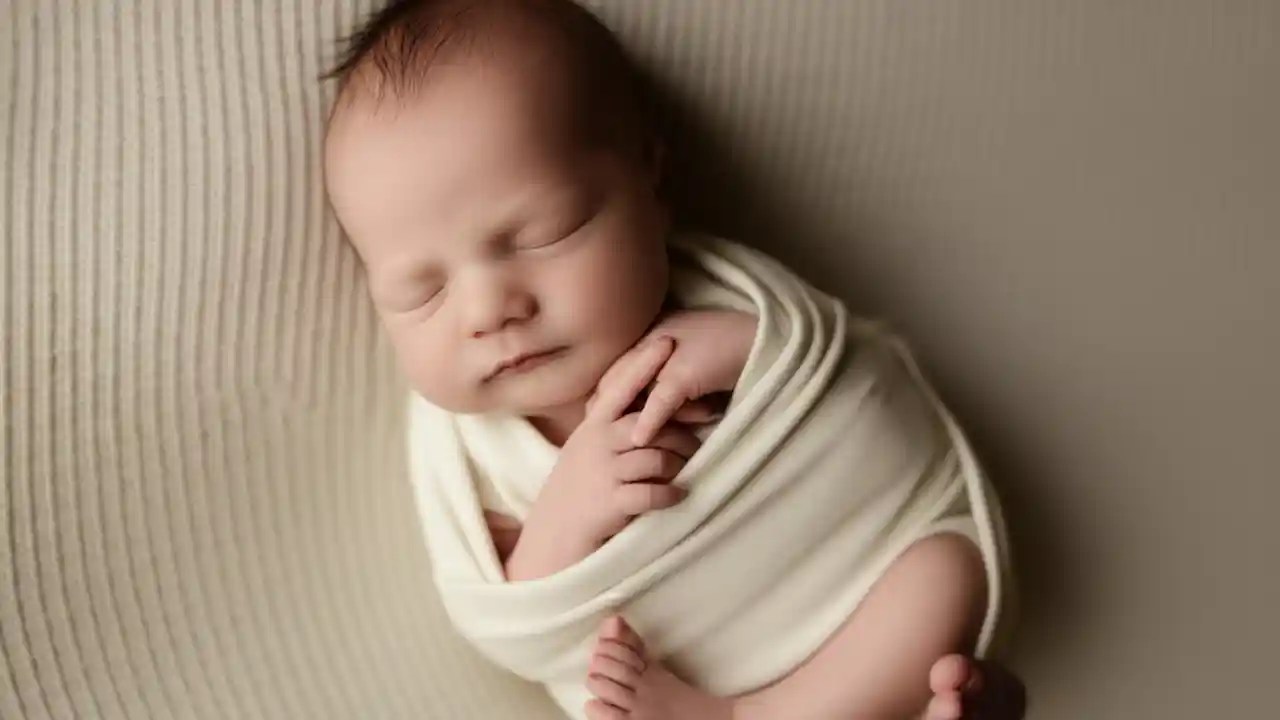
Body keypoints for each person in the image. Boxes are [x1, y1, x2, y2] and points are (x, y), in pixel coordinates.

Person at [323, 1, 1026, 718]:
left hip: (859, 596)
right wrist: (563, 517)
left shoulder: (727, 296)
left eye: (543, 234)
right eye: (421, 291)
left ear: (652, 186)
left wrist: (754, 349)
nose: (487, 311)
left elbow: (851, 374)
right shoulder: (467, 453)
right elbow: (509, 619)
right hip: (681, 672)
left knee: (948, 568)